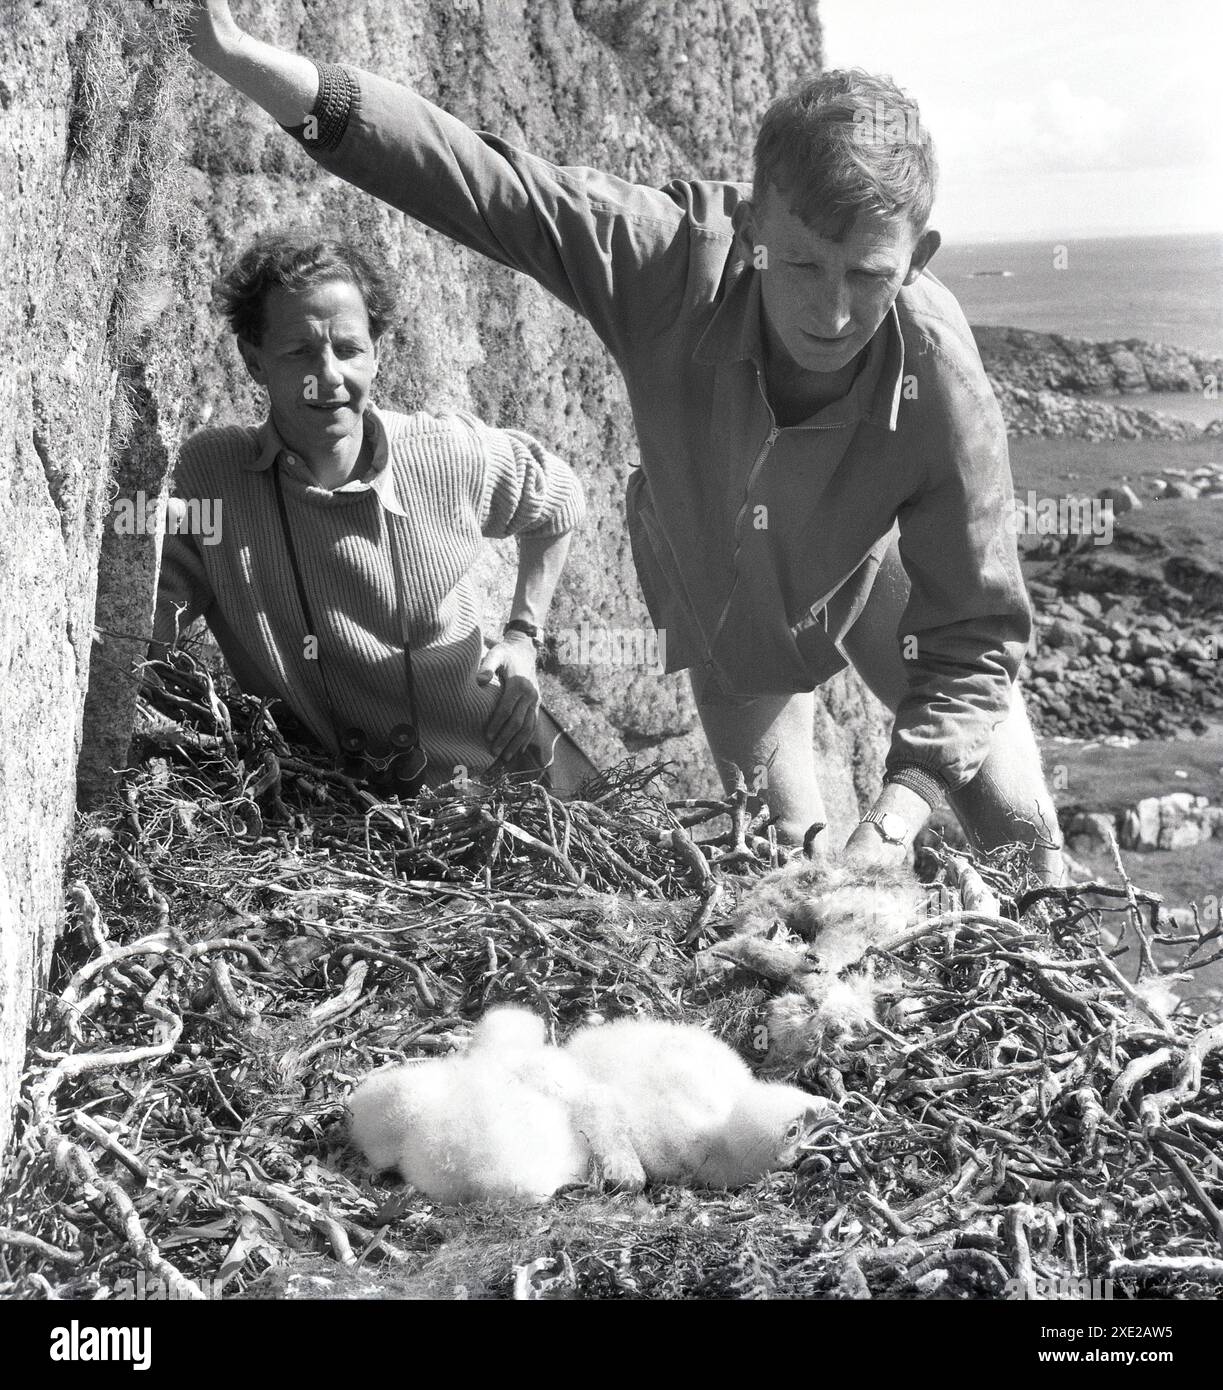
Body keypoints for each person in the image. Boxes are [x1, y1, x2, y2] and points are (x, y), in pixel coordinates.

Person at [182, 2, 1064, 880]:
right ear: (754, 230)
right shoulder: (668, 265)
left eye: (868, 276)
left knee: (1020, 832)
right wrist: (238, 56)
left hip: (869, 571)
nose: (831, 313)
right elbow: (471, 176)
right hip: (726, 600)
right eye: (801, 266)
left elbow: (974, 638)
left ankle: (1112, 999)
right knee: (792, 880)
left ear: (917, 257)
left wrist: (899, 813)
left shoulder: (942, 381)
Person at [152, 230, 586, 790]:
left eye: (349, 349)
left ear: (377, 354)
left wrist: (525, 637)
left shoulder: (445, 453)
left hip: (520, 786)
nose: (329, 374)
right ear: (254, 361)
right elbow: (147, 619)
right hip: (347, 818)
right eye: (299, 351)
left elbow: (561, 497)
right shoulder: (213, 476)